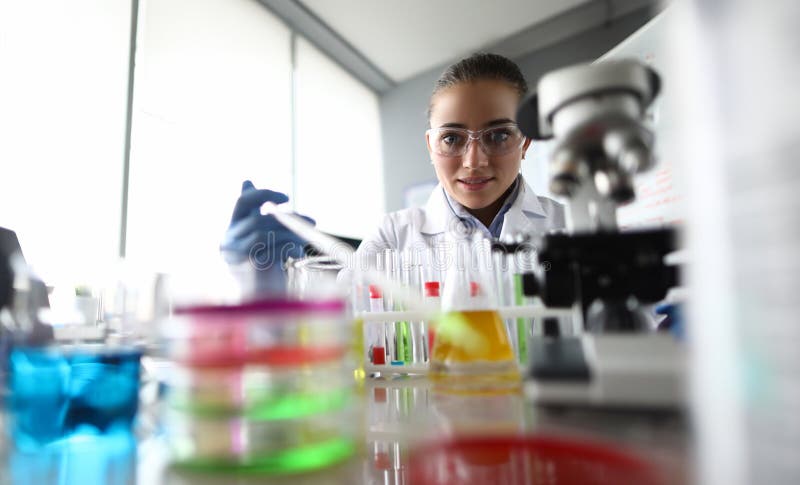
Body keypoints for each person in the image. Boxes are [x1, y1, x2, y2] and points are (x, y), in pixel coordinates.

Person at [221, 53, 564, 284]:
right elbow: (335, 334)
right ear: (431, 146)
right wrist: (261, 281)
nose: (474, 161)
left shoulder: (569, 226)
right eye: (452, 139)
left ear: (526, 142)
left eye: (499, 134)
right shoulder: (392, 237)